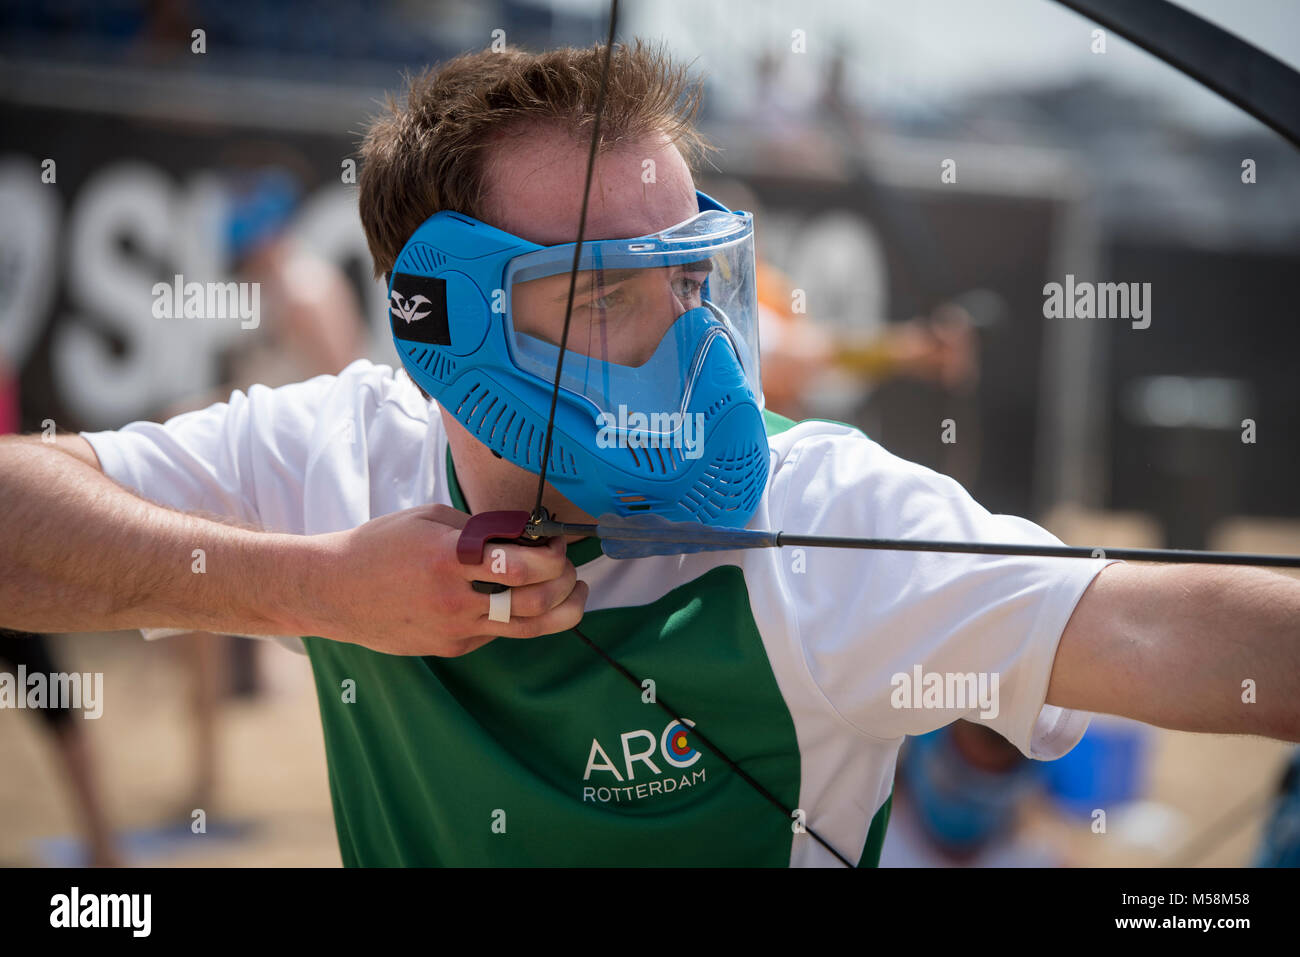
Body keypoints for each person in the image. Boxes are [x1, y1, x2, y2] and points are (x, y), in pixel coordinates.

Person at [2, 41, 1297, 867]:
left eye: (690, 278)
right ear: (446, 326)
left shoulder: (827, 519)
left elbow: (1158, 626)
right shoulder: (335, 458)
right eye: (606, 292)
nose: (691, 344)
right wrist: (321, 589)